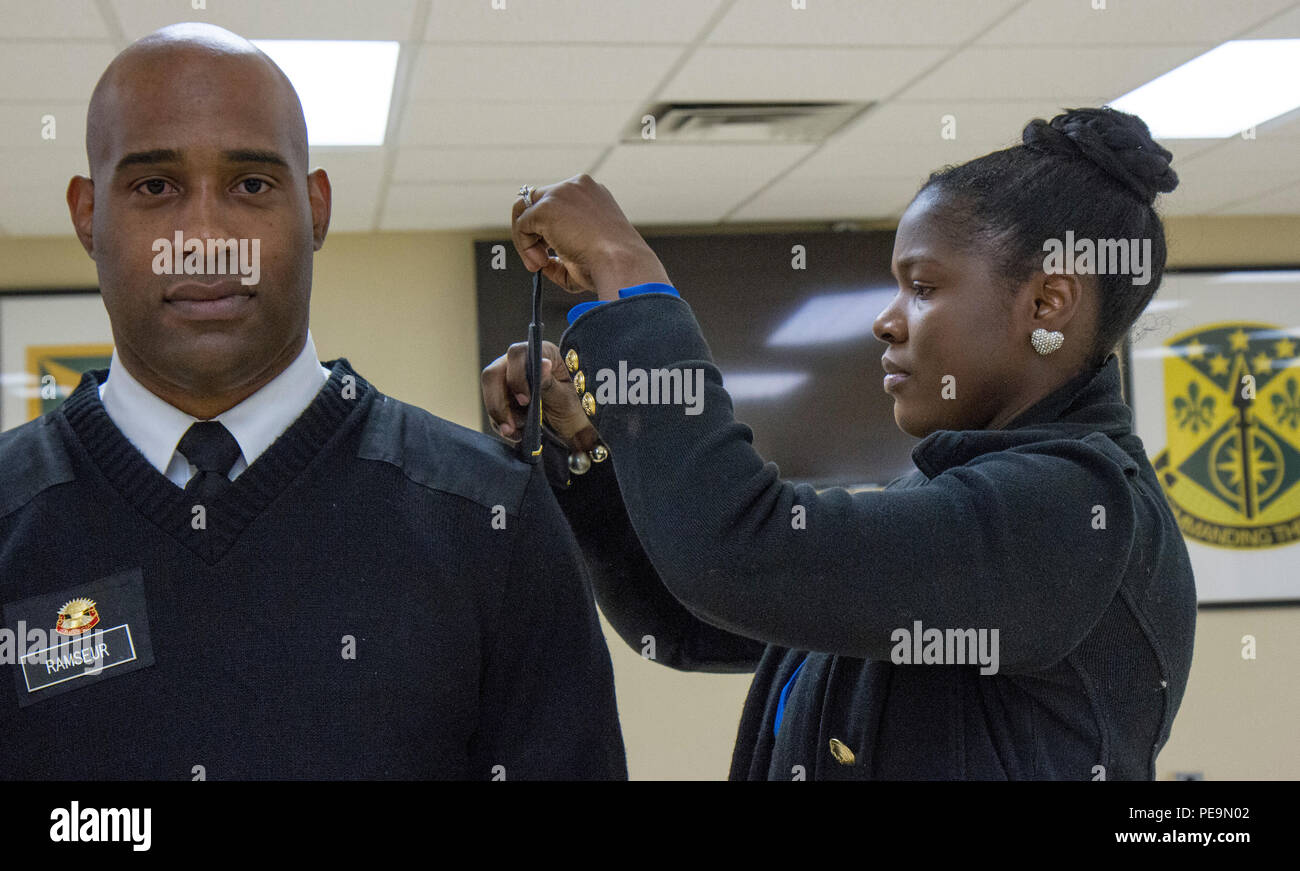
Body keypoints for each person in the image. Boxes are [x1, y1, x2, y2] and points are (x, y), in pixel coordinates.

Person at [483, 107, 1197, 780]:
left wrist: (630, 276)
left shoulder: (1073, 510)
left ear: (1047, 302)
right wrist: (583, 439)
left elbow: (735, 553)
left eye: (922, 287)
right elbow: (685, 620)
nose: (887, 321)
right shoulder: (964, 496)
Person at [0, 23, 625, 780]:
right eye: (155, 187)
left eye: (252, 185)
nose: (203, 236)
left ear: (316, 206)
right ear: (88, 215)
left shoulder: (491, 518)